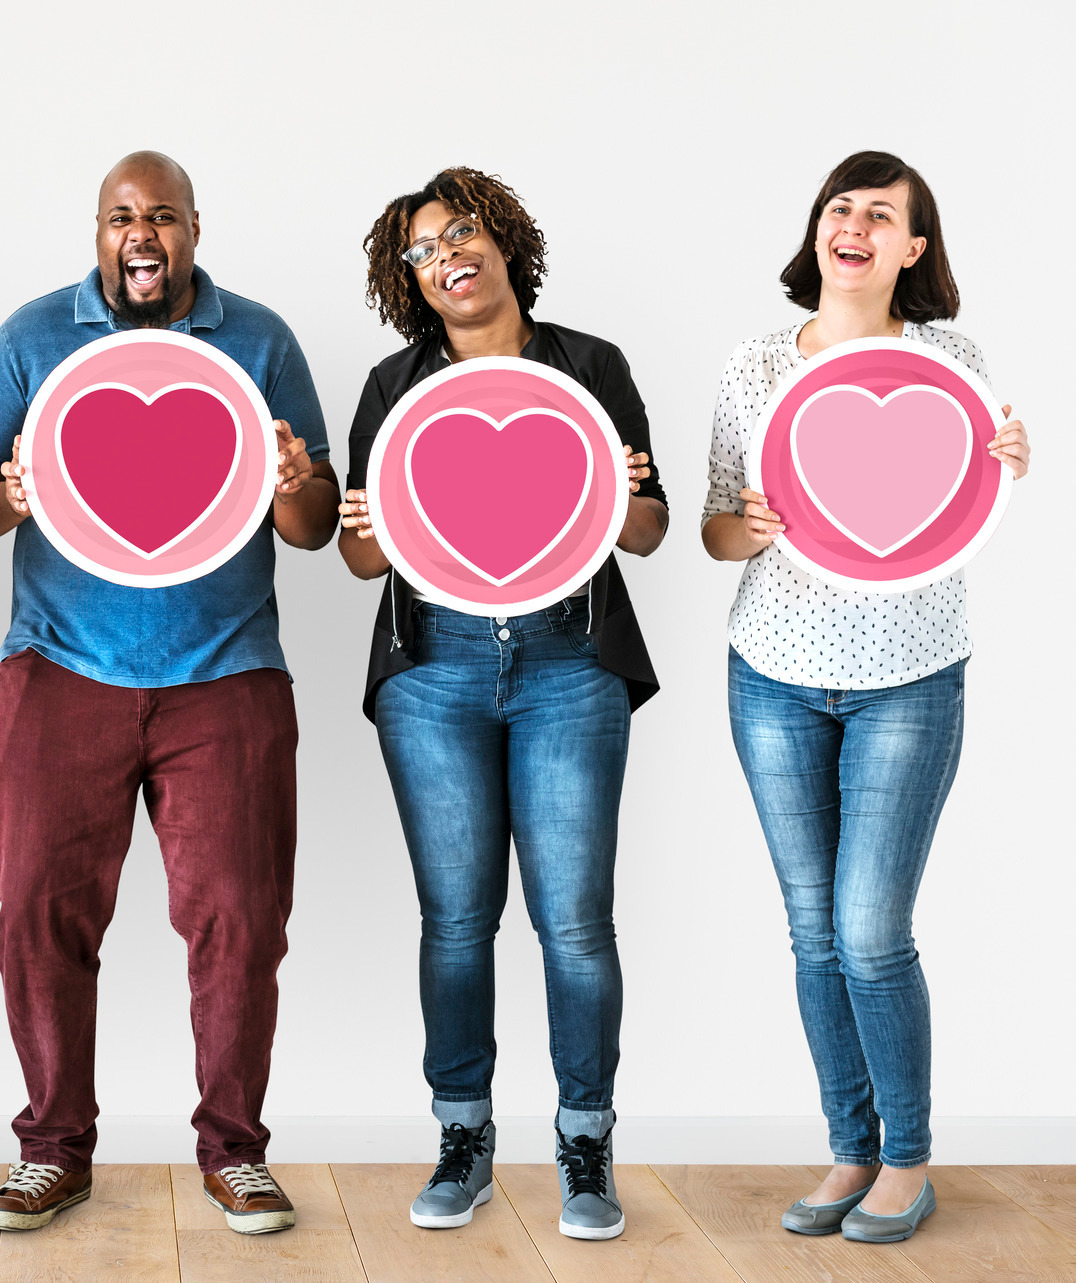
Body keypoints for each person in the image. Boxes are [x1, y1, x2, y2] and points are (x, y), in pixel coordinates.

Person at [0, 151, 338, 1236]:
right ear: (98, 230)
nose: (141, 233)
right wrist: (4, 496)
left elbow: (310, 526)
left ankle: (235, 1152)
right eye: (122, 216)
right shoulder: (32, 337)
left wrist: (298, 481)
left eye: (161, 214)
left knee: (241, 919)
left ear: (194, 229)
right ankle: (51, 1149)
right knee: (35, 914)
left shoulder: (258, 341)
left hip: (226, 671)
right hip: (58, 665)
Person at [701, 151, 1030, 1245]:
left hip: (908, 674)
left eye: (879, 214)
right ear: (816, 234)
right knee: (810, 931)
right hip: (772, 673)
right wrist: (738, 527)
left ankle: (905, 1156)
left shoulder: (949, 361)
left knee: (868, 930)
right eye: (837, 207)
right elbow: (712, 528)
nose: (851, 225)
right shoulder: (755, 365)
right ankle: (847, 1144)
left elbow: (963, 493)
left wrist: (1006, 457)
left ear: (910, 250)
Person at [339, 168, 667, 1241]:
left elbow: (649, 528)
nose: (447, 254)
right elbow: (358, 555)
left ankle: (583, 1144)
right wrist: (362, 524)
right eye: (422, 249)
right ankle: (462, 1136)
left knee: (572, 920)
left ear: (501, 239)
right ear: (411, 282)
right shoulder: (394, 386)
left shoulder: (586, 367)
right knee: (455, 919)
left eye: (461, 231)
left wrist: (626, 496)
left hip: (568, 661)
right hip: (431, 667)